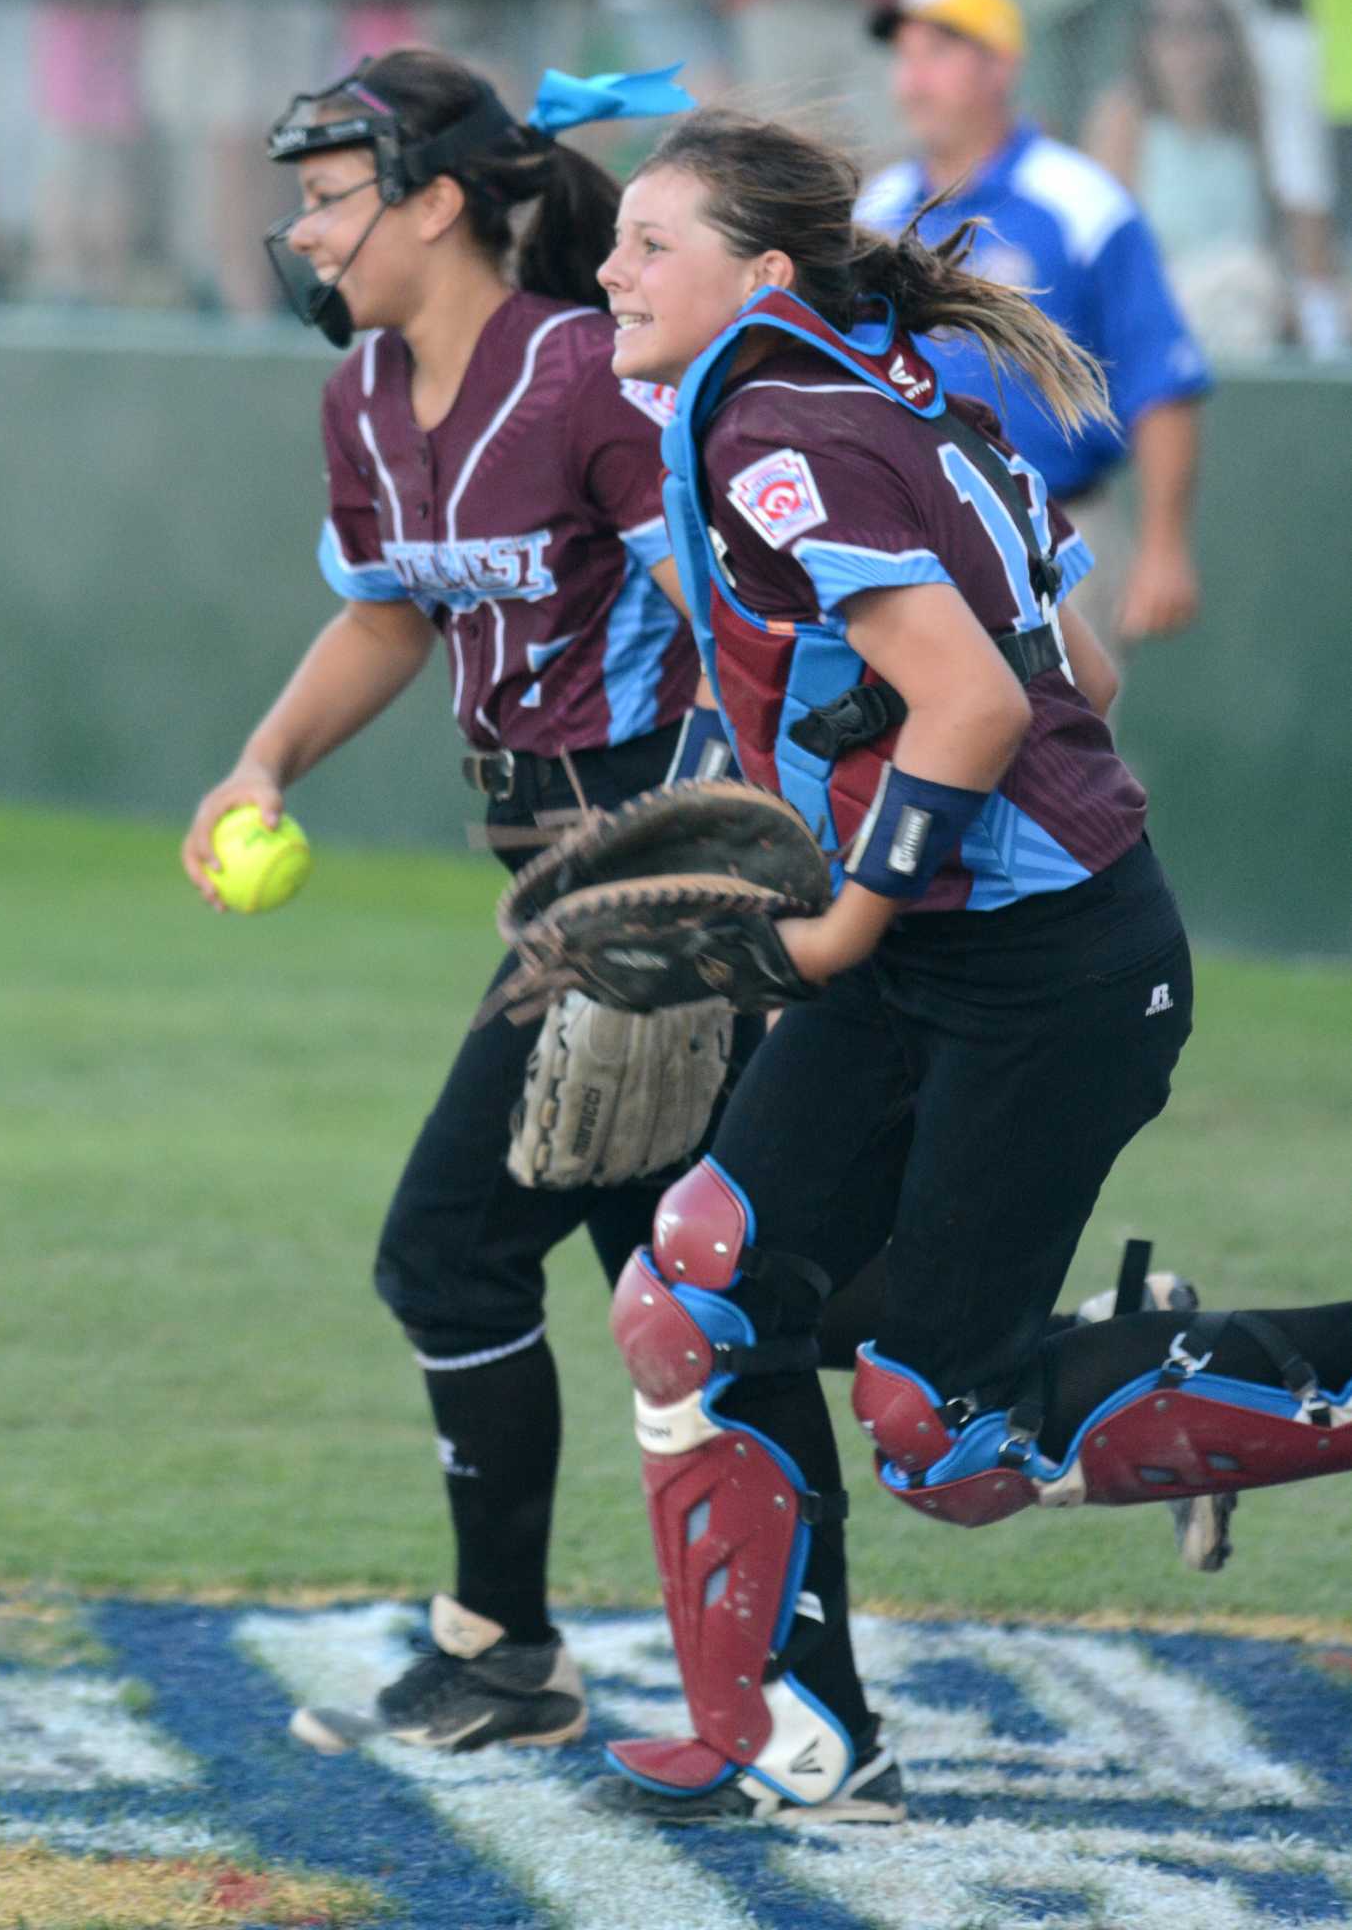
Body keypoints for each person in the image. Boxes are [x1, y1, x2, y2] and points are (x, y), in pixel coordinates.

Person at [586, 103, 1352, 1826]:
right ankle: (796, 1735)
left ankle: (1172, 1370)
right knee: (691, 1293)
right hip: (957, 937)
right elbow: (1080, 666)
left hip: (1047, 974)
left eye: (650, 242)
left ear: (760, 274)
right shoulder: (885, 398)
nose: (611, 266)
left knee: (954, 1437)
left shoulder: (776, 428)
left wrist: (842, 914)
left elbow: (994, 699)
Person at [181, 48, 722, 1755]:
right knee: (698, 1297)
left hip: (647, 873)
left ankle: (509, 1647)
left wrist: (699, 873)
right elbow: (390, 617)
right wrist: (262, 760)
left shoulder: (584, 373)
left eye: (331, 192)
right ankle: (774, 1673)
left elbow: (724, 615)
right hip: (543, 877)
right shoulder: (361, 398)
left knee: (451, 1248)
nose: (304, 228)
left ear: (434, 202)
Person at [856, 0, 1210, 656]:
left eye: (938, 52)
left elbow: (1160, 378)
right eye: (904, 56)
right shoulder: (873, 212)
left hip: (1058, 537)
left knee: (1068, 754)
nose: (913, 78)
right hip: (908, 549)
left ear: (1002, 67)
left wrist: (1165, 547)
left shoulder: (1081, 201)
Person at [1082, 0, 1286, 356]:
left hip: (1246, 320)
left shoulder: (1249, 124)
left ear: (1226, 39)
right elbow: (1104, 255)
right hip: (1156, 315)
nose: (1180, 41)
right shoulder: (1125, 117)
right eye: (1163, 24)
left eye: (1197, 25)